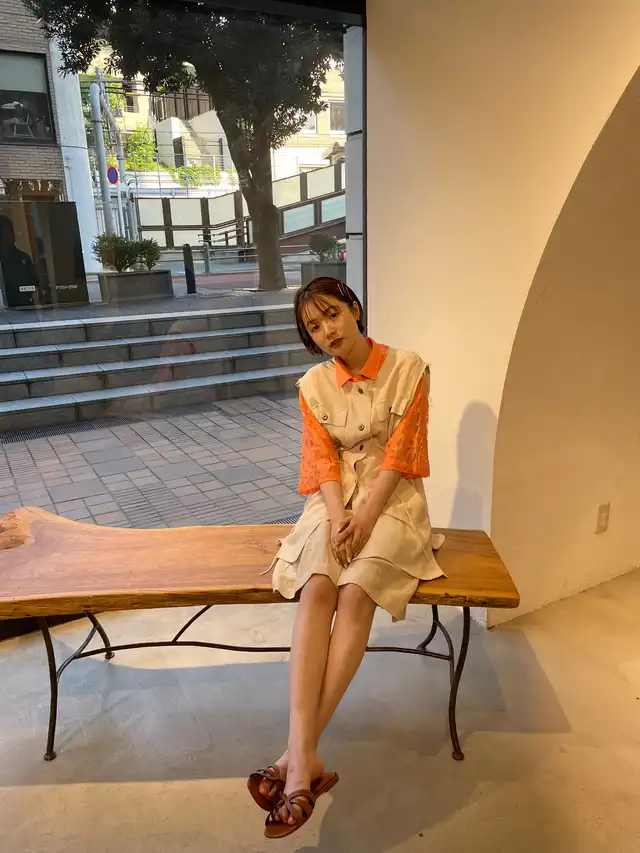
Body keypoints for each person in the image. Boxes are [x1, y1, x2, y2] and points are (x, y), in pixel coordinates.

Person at [248, 276, 445, 840]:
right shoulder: (313, 384)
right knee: (317, 586)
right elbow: (321, 461)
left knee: (355, 593)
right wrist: (339, 521)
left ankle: (294, 759)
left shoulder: (408, 368)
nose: (326, 331)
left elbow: (402, 456)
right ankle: (304, 759)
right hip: (333, 504)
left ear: (355, 308)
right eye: (313, 326)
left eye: (332, 314)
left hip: (392, 499)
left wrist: (365, 518)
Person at [0, 214, 37, 294]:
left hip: (23, 301)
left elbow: (33, 283)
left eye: (11, 231)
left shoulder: (24, 258)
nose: (11, 235)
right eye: (5, 233)